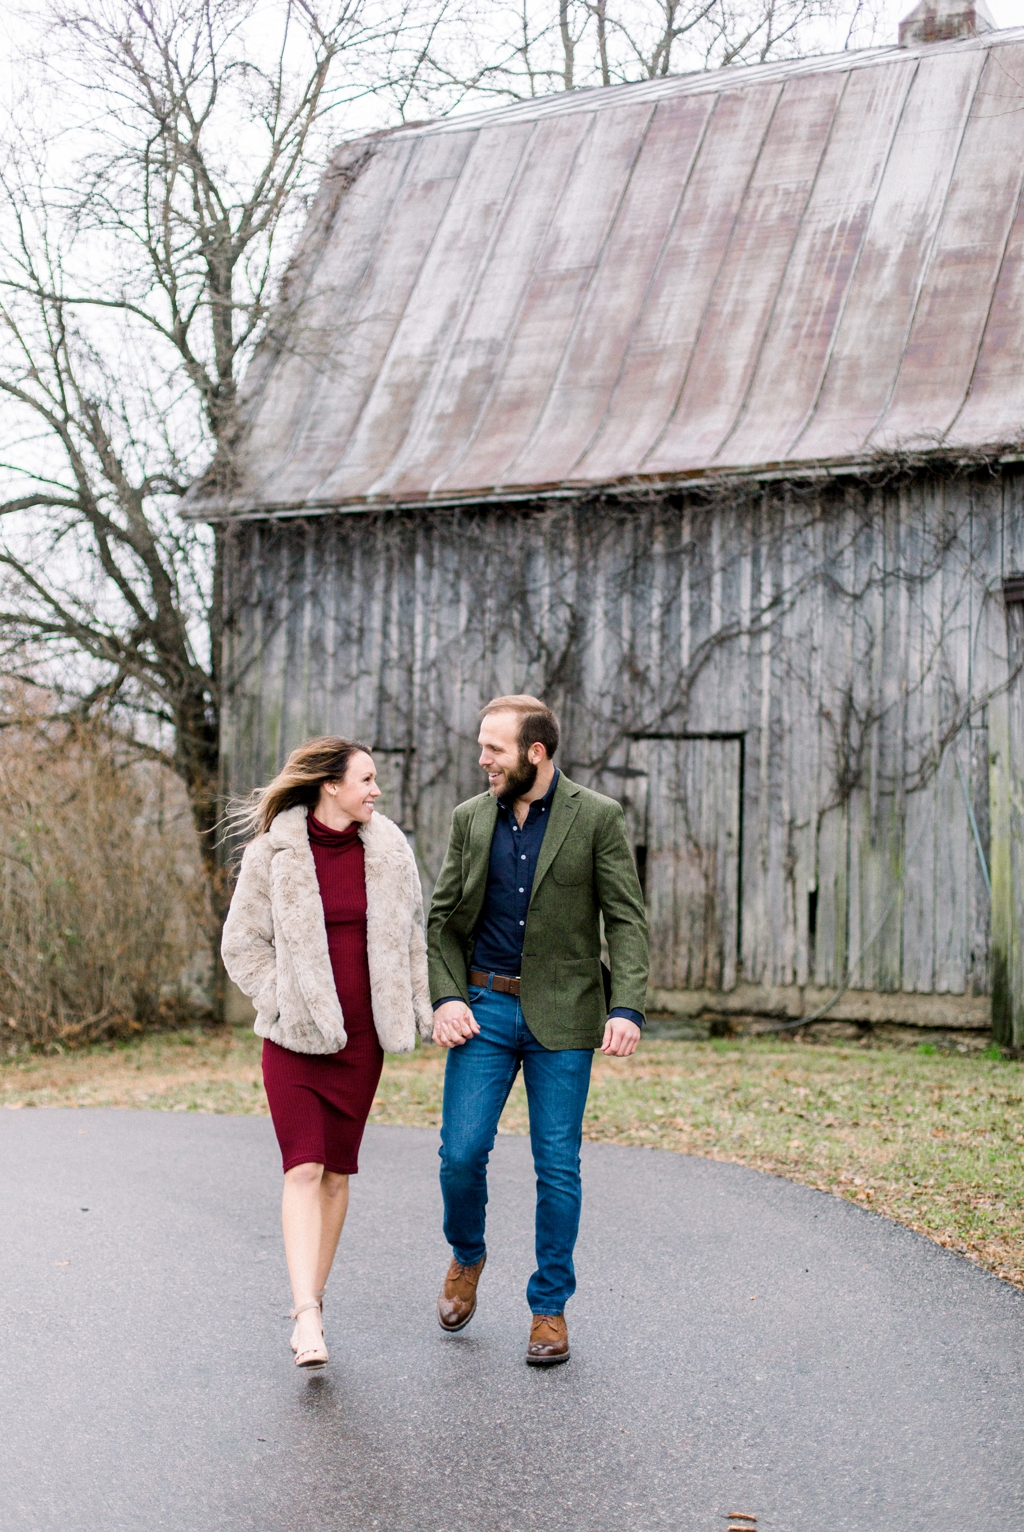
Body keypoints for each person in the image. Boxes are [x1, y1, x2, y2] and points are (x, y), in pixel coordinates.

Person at [428, 695, 649, 1366]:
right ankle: (468, 1255)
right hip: (484, 1010)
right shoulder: (471, 819)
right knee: (461, 1155)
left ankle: (549, 1308)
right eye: (481, 746)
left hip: (568, 1012)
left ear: (535, 752)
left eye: (493, 748)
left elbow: (627, 919)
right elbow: (441, 920)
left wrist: (626, 1005)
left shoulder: (597, 817)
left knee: (557, 1167)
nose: (481, 759)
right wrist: (445, 997)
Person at [222, 737, 433, 1368]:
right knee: (303, 1169)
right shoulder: (272, 855)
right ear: (329, 785)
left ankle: (315, 1294)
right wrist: (282, 998)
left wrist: (426, 1008)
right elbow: (242, 945)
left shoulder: (391, 851)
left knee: (337, 1174)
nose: (375, 791)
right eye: (366, 780)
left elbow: (413, 941)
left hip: (361, 1043)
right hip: (293, 1041)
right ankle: (305, 1315)